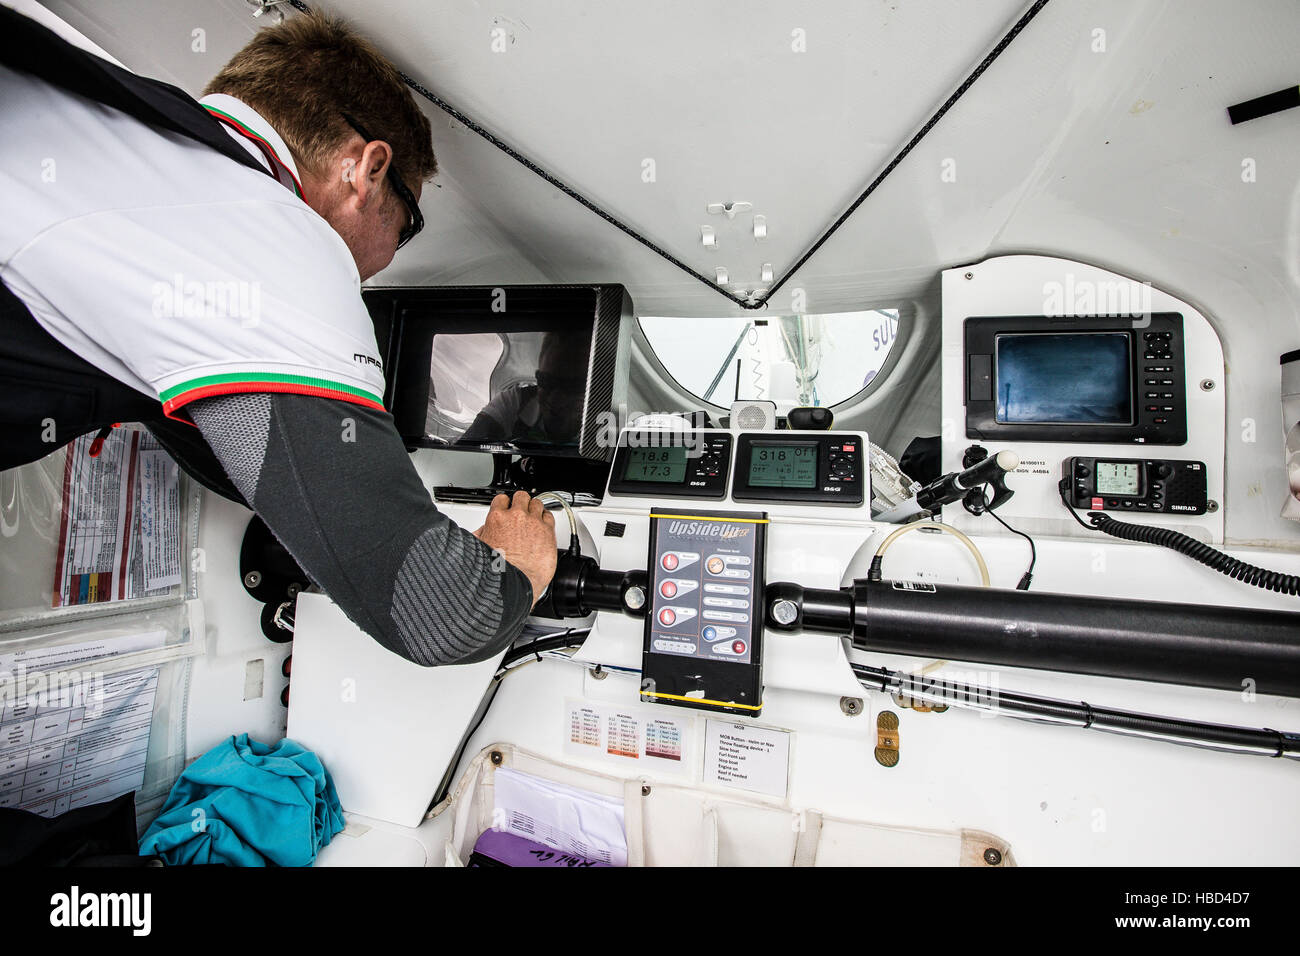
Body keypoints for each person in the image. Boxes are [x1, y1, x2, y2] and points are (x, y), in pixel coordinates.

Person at [0, 8, 556, 665]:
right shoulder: (278, 239)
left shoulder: (135, 143)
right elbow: (446, 616)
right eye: (404, 227)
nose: (387, 260)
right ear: (366, 170)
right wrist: (519, 566)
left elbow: (249, 463)